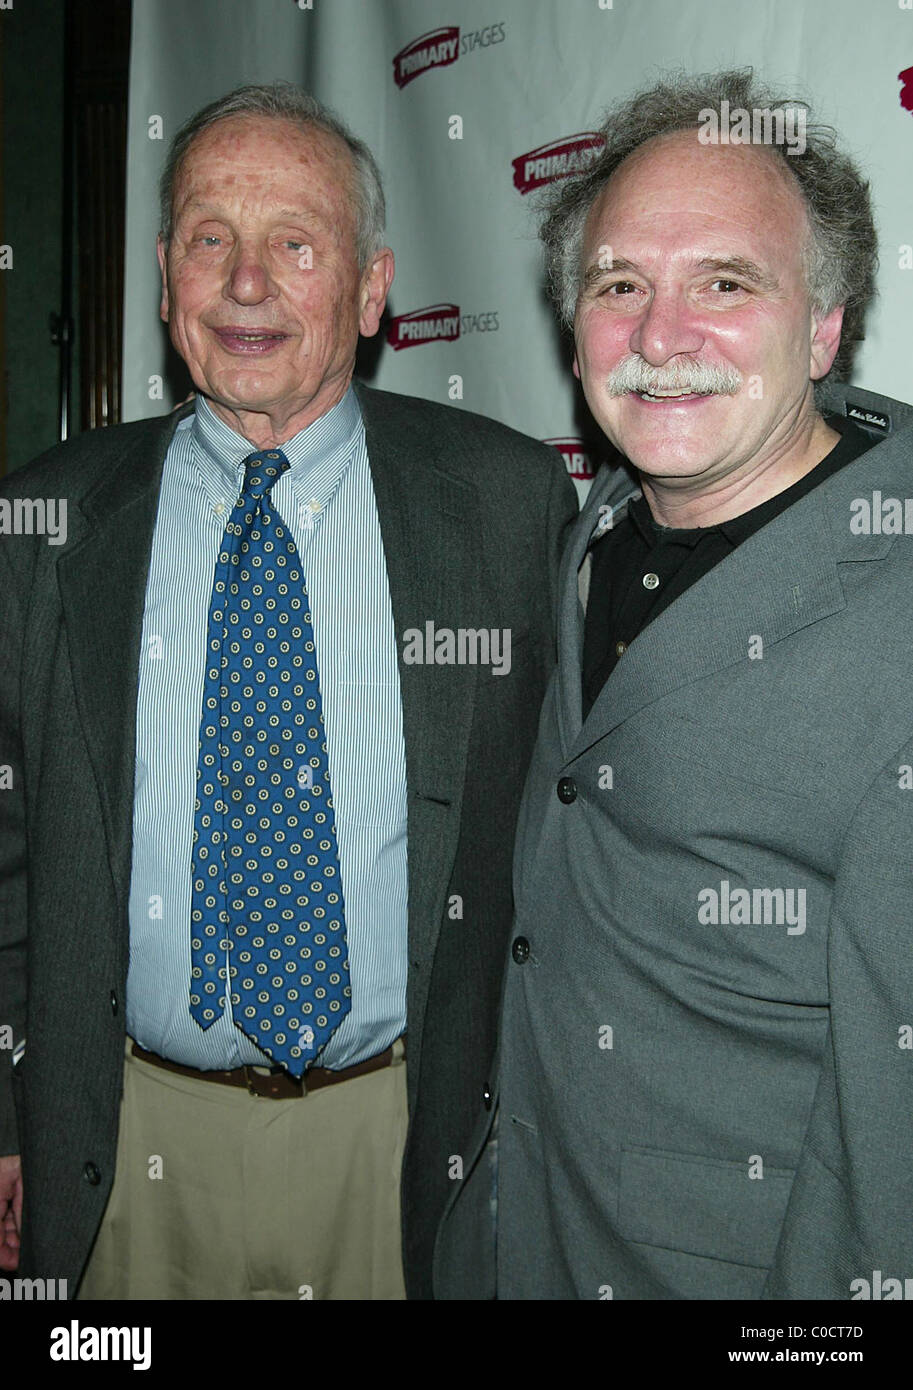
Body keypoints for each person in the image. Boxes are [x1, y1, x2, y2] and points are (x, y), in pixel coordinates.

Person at [0, 81, 577, 1300]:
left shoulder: (510, 507)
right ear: (165, 278)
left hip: (403, 1145)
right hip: (122, 1139)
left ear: (371, 288)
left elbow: (565, 832)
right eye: (210, 238)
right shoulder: (42, 524)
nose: (246, 282)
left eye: (294, 243)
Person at [436, 68, 913, 1300]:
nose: (658, 338)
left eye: (724, 282)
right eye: (619, 287)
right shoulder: (582, 531)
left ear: (822, 324)